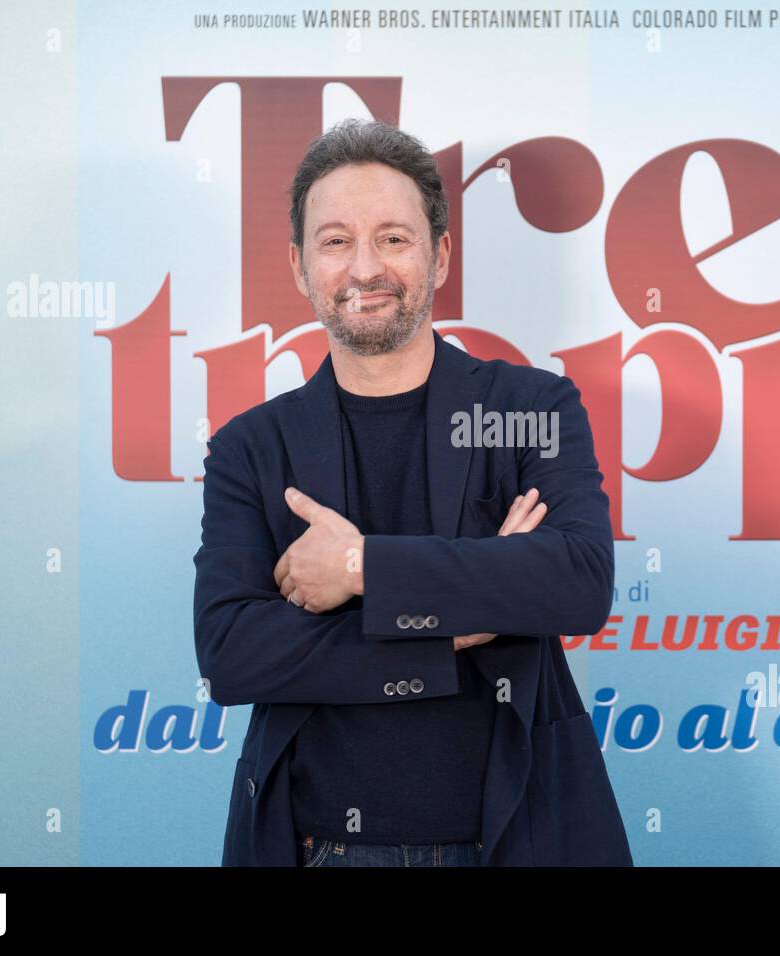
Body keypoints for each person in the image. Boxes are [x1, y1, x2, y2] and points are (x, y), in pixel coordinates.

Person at [193, 117, 633, 867]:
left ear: (439, 258)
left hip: (519, 838)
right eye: (336, 241)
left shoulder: (531, 410)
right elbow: (232, 655)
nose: (365, 268)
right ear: (301, 267)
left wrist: (363, 569)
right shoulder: (250, 448)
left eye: (393, 238)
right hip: (317, 847)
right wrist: (453, 626)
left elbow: (578, 582)